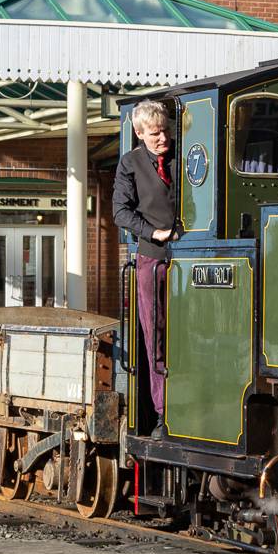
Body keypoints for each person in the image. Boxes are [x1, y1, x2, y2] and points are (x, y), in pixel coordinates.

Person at [112, 101, 178, 433]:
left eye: (166, 130)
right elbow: (120, 212)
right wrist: (153, 232)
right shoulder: (130, 164)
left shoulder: (184, 156)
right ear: (139, 133)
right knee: (156, 335)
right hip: (152, 258)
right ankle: (163, 410)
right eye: (155, 134)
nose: (163, 138)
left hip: (186, 257)